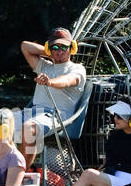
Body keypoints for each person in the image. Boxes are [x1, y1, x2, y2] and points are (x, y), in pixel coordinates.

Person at [15, 27, 87, 169]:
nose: (59, 51)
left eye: (64, 47)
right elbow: (25, 46)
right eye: (55, 47)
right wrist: (48, 52)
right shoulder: (44, 66)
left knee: (29, 129)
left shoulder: (77, 69)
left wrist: (50, 82)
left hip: (56, 116)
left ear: (72, 48)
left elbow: (67, 81)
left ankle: (19, 174)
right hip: (31, 113)